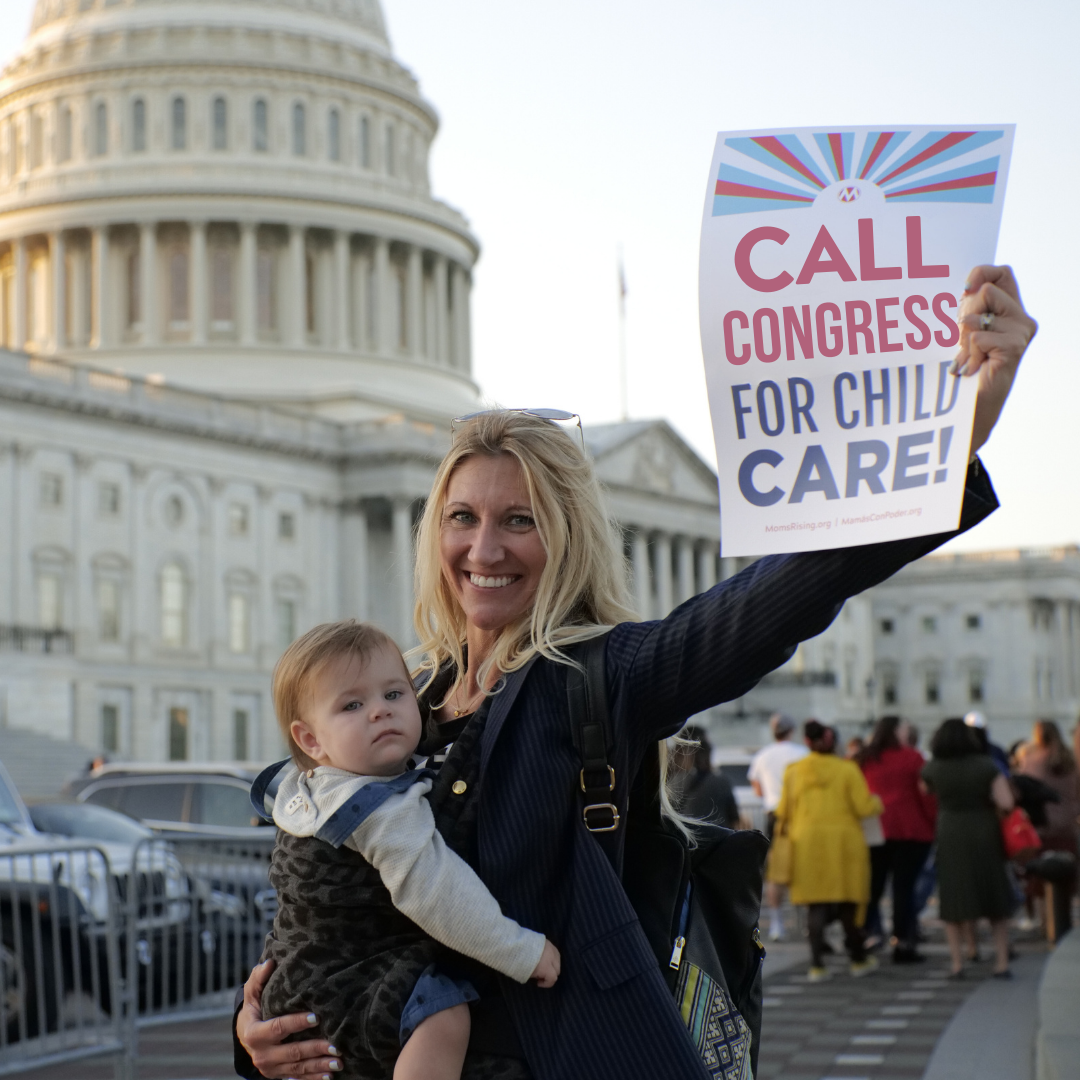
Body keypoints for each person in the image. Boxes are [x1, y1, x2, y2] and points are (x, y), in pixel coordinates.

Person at [235, 264, 1036, 1080]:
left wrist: (954, 436)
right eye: (462, 518)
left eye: (521, 520)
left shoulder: (598, 677)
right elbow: (326, 904)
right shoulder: (405, 700)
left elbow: (780, 597)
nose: (484, 549)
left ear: (567, 537)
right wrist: (262, 1031)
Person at [256, 620, 560, 1080]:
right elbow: (437, 893)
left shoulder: (306, 792)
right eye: (352, 705)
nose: (380, 711)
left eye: (394, 694)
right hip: (351, 987)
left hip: (292, 984)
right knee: (444, 1013)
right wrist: (522, 952)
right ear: (311, 740)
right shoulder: (379, 808)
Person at [774, 720, 883, 982]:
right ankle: (858, 960)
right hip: (844, 844)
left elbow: (783, 810)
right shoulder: (847, 769)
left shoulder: (794, 771)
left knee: (816, 905)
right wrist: (877, 802)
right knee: (848, 902)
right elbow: (863, 807)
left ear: (807, 742)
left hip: (806, 843)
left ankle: (817, 966)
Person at [922, 719, 1015, 978]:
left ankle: (957, 962)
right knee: (993, 895)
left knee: (954, 897)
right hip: (984, 830)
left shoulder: (933, 768)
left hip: (950, 830)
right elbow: (1006, 802)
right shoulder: (986, 765)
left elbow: (925, 790)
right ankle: (1001, 962)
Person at [858, 717, 936, 962]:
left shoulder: (864, 759)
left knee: (873, 888)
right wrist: (934, 822)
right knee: (904, 889)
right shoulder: (913, 758)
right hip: (910, 829)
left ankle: (867, 934)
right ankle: (902, 941)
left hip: (875, 828)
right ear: (895, 732)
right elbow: (926, 796)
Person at [749, 713, 808, 940]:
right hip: (799, 815)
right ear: (791, 731)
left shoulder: (763, 755)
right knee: (802, 866)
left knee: (775, 871)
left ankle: (777, 923)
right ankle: (804, 921)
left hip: (774, 815)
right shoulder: (802, 753)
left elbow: (757, 789)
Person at [669, 725, 739, 829]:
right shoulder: (721, 782)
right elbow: (733, 818)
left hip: (685, 835)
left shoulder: (671, 781)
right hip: (717, 836)